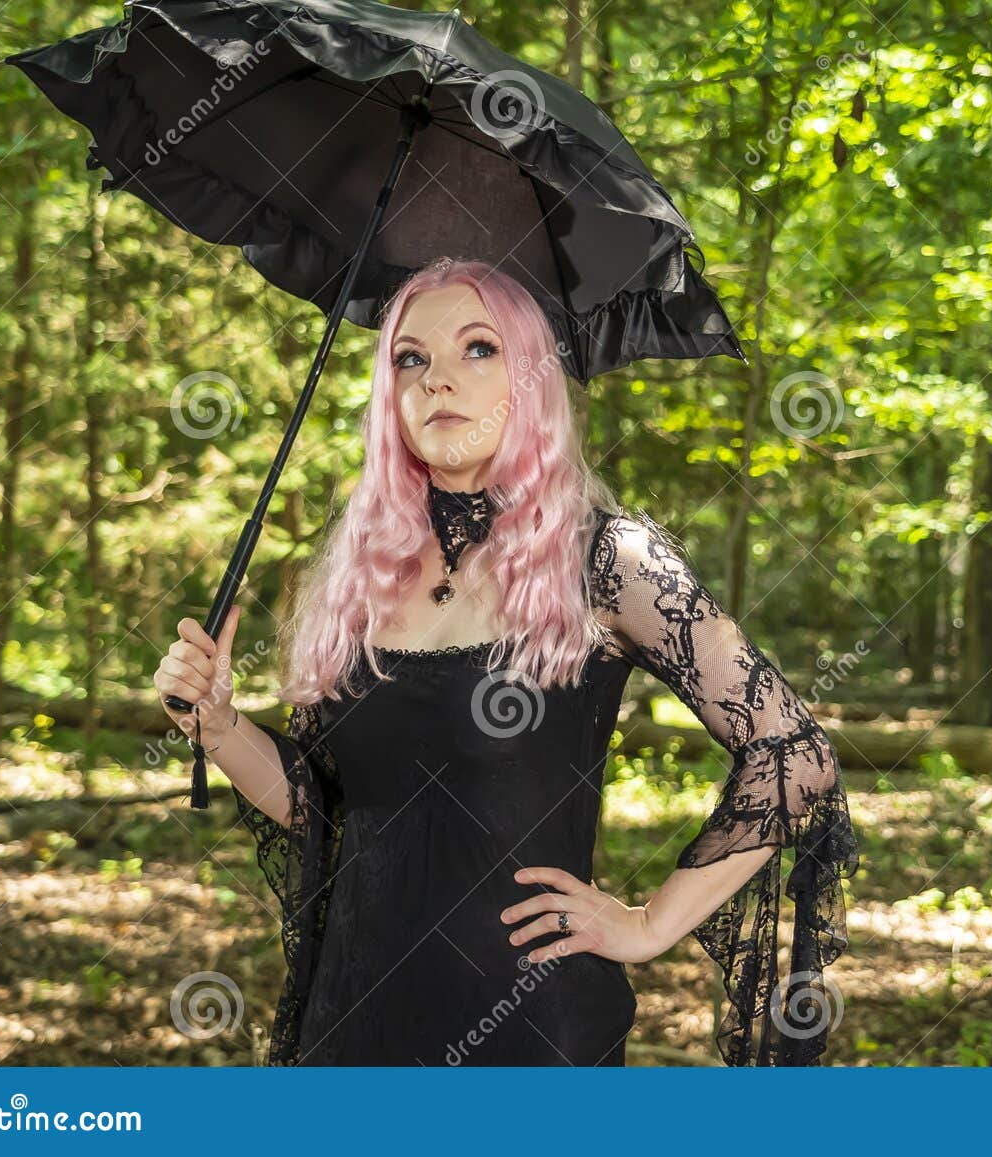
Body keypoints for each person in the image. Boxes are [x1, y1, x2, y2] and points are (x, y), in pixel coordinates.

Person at [153, 256, 859, 1067]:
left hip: (530, 1031)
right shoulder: (360, 571)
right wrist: (219, 725)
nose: (436, 380)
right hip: (351, 1022)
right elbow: (325, 809)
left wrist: (647, 922)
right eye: (409, 358)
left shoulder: (607, 559)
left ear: (529, 378)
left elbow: (794, 754)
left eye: (477, 349)